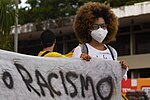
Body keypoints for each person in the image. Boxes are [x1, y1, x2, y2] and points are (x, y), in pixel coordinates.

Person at [72, 2, 128, 79]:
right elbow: (72, 75)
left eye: (103, 26)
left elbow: (117, 77)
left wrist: (123, 68)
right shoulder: (81, 50)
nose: (100, 29)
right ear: (88, 29)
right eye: (95, 26)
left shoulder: (112, 52)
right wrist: (81, 63)